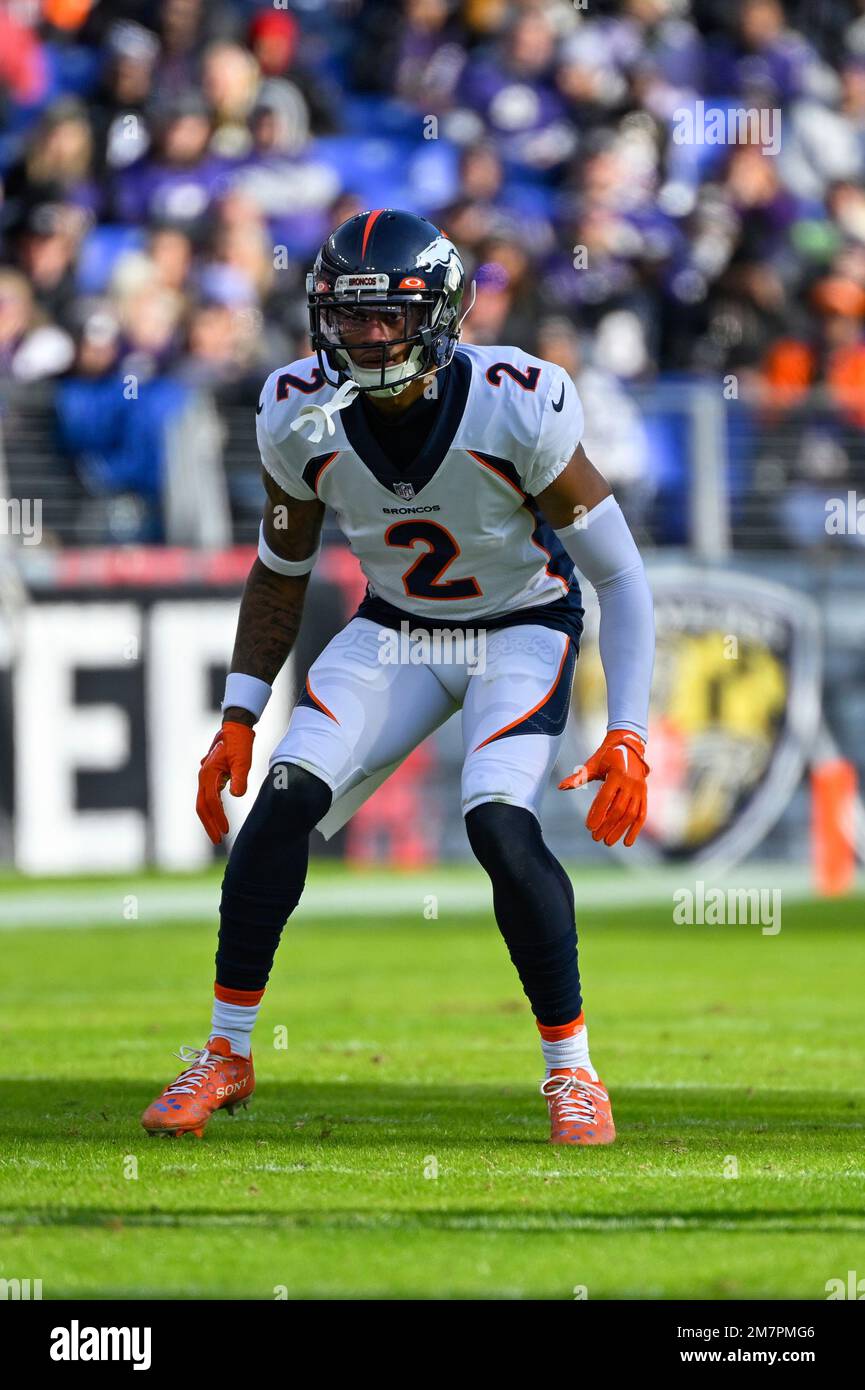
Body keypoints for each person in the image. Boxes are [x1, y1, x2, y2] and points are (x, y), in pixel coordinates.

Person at [140, 209, 655, 1147]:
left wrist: (629, 730)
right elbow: (280, 572)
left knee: (498, 825)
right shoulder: (296, 410)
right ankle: (226, 1051)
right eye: (349, 315)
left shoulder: (514, 401)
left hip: (519, 627)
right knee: (283, 801)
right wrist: (240, 715)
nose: (367, 335)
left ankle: (572, 1072)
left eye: (389, 315)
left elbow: (618, 576)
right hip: (397, 631)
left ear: (443, 313)